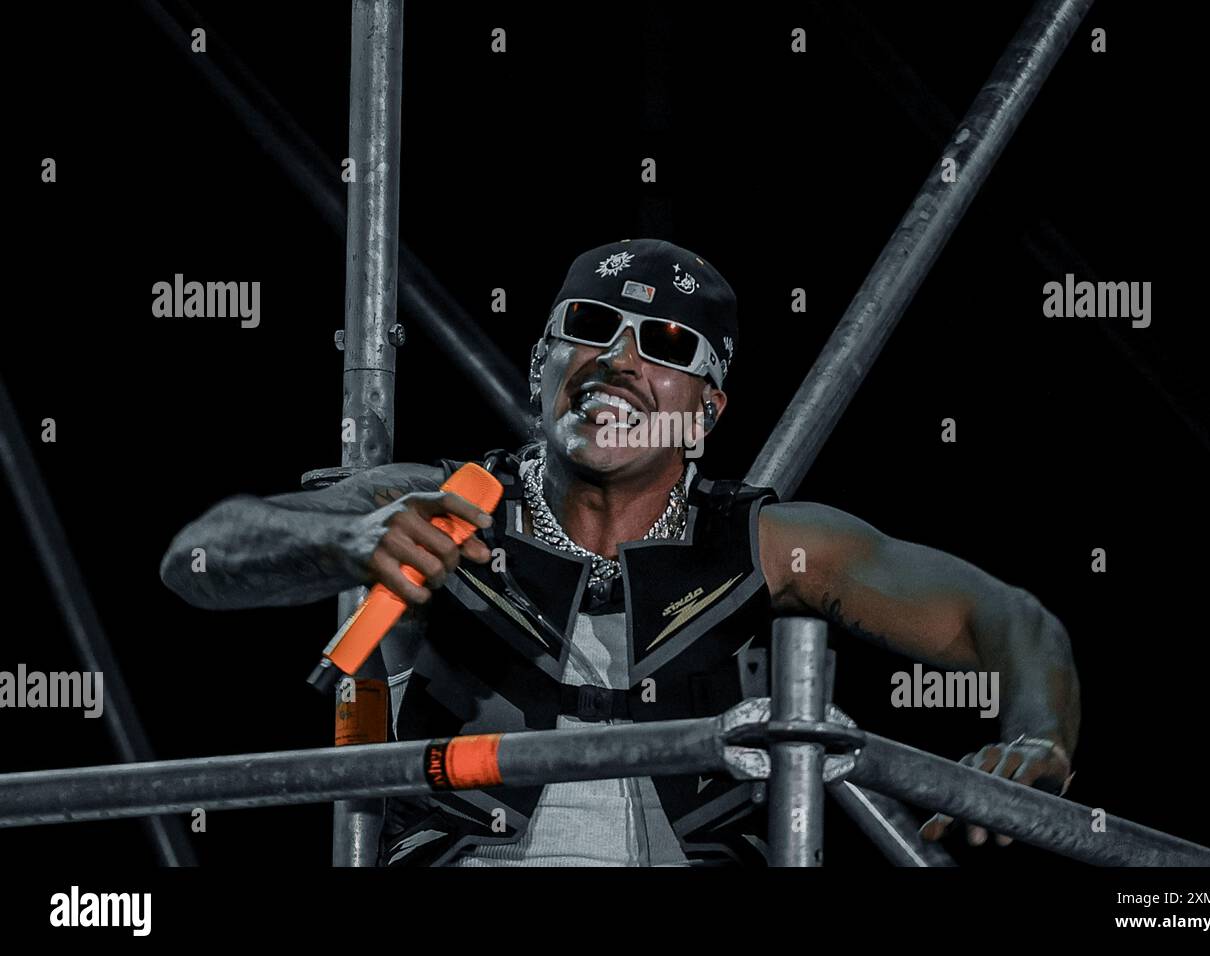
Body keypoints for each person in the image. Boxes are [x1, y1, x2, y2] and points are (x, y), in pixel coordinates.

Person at [160, 237, 1080, 866]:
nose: (620, 360)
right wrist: (345, 539)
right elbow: (199, 555)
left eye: (667, 345)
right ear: (540, 368)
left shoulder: (768, 546)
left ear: (707, 411)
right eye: (591, 328)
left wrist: (1036, 738)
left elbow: (1006, 617)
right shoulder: (438, 501)